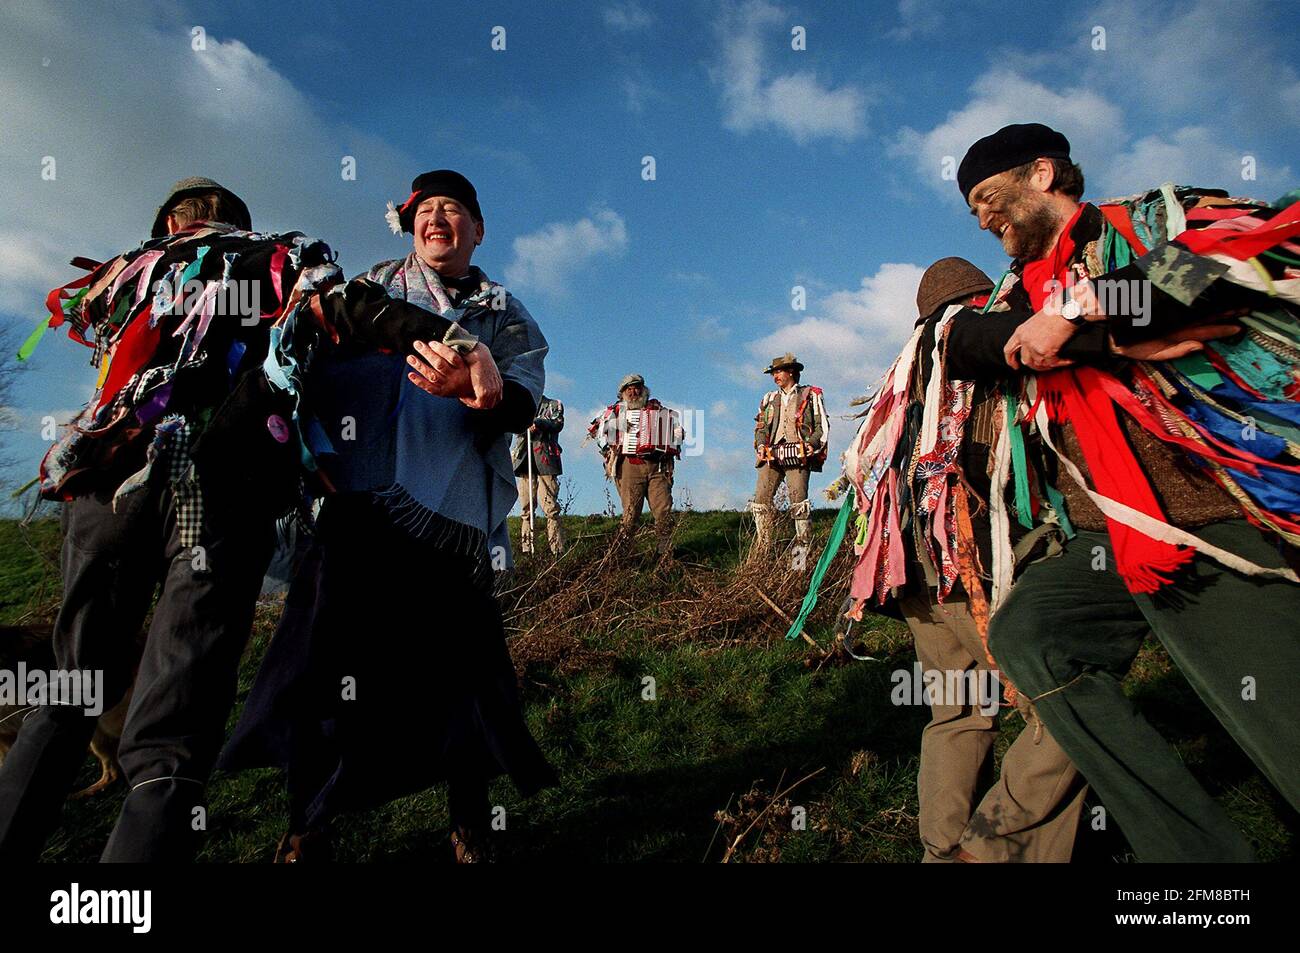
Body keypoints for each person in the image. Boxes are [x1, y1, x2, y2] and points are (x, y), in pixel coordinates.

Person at [0, 177, 486, 862]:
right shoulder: (274, 259)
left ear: (171, 221)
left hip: (109, 487)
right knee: (170, 735)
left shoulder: (129, 271)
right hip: (220, 489)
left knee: (69, 689)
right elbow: (347, 308)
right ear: (239, 223)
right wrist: (457, 342)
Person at [952, 122, 1300, 861]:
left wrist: (1079, 312)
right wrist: (1098, 339)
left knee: (1283, 725)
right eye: (973, 209)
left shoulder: (1144, 221)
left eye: (988, 196)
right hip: (1106, 536)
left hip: (1208, 518)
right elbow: (968, 345)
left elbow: (1228, 255)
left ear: (1042, 173)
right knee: (1031, 635)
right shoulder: (1017, 291)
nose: (983, 218)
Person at [220, 169, 557, 863]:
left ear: (478, 229)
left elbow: (527, 397)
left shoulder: (506, 312)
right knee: (323, 670)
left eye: (455, 209)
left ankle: (469, 824)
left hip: (452, 519)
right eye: (426, 209)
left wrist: (484, 393)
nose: (438, 218)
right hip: (356, 507)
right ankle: (307, 828)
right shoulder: (366, 291)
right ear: (409, 226)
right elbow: (297, 363)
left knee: (463, 678)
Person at [895, 258, 1088, 862]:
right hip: (989, 568)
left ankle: (940, 851)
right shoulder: (991, 345)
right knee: (1069, 711)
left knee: (957, 716)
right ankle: (994, 852)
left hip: (921, 576)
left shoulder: (908, 377)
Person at [588, 373, 683, 555]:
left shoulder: (658, 409)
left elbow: (676, 429)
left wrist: (676, 438)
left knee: (663, 510)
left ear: (644, 389)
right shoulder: (614, 411)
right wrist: (611, 442)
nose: (634, 392)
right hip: (629, 466)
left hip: (657, 466)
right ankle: (622, 554)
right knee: (631, 513)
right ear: (622, 393)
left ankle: (665, 555)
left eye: (637, 387)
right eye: (629, 389)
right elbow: (598, 433)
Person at [750, 353, 828, 550]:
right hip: (772, 455)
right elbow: (761, 428)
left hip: (798, 454)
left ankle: (801, 557)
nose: (775, 376)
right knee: (760, 501)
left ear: (791, 372)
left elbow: (822, 426)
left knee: (798, 504)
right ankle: (764, 550)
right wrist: (760, 446)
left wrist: (811, 443)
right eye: (773, 373)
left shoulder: (810, 395)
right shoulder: (769, 398)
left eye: (778, 371)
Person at [512, 394, 566, 555]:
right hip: (524, 460)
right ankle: (527, 548)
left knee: (550, 506)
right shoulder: (519, 406)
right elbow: (512, 426)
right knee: (526, 507)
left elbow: (557, 424)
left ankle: (557, 548)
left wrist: (539, 423)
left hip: (546, 460)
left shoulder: (554, 404)